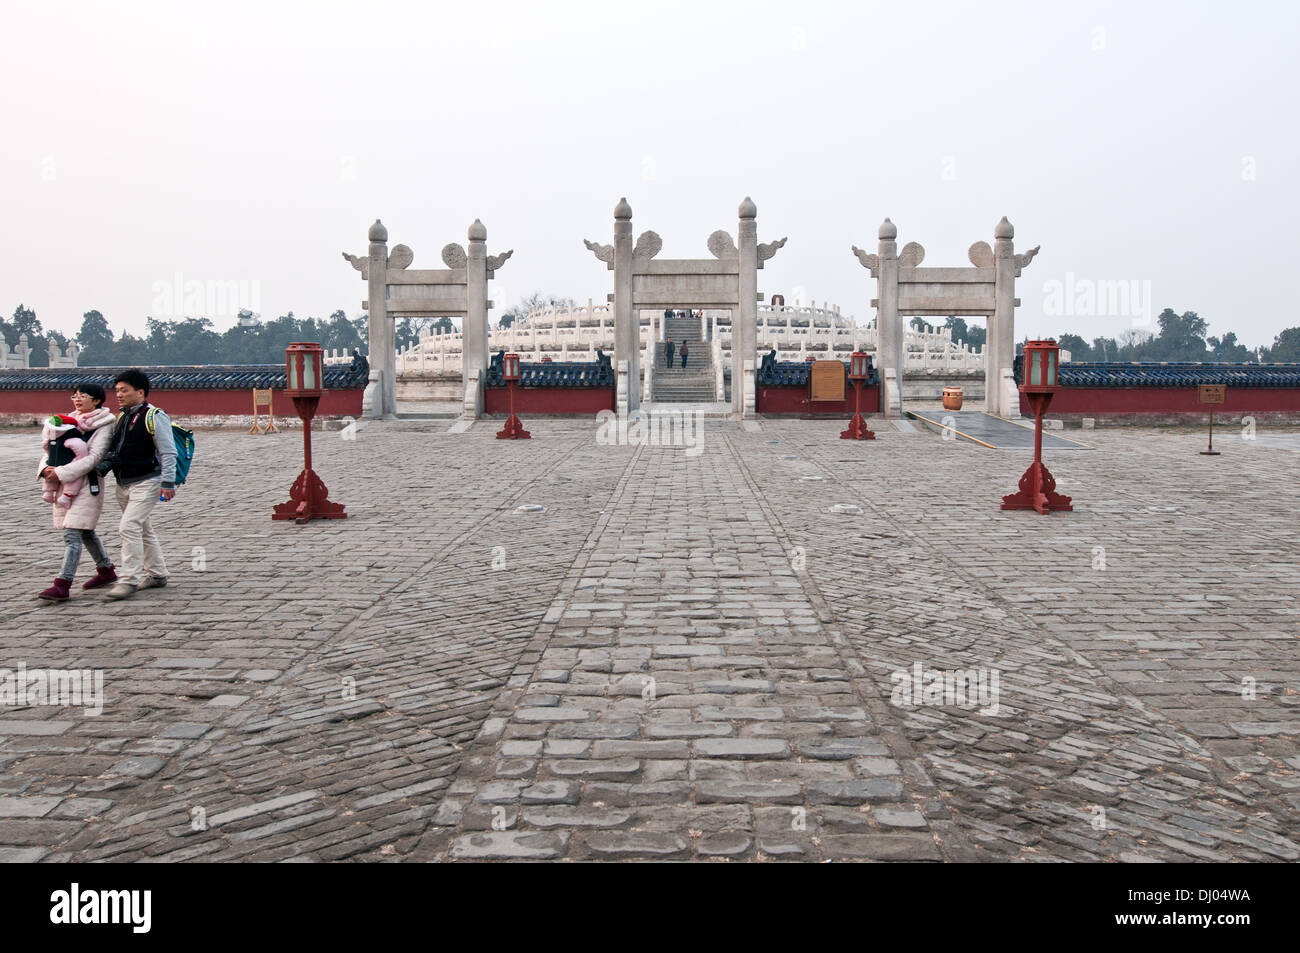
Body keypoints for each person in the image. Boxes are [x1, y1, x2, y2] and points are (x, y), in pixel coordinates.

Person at [36, 385, 119, 601]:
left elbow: (95, 457)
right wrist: (45, 470)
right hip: (64, 482)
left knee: (72, 532)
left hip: (87, 483)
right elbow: (50, 450)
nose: (77, 399)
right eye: (75, 395)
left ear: (97, 400)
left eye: (83, 396)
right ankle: (106, 570)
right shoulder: (65, 421)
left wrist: (61, 472)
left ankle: (62, 584)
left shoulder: (105, 424)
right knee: (85, 531)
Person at [105, 369, 177, 601]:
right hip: (124, 482)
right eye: (117, 390)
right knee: (143, 529)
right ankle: (157, 574)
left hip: (148, 481)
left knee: (128, 527)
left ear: (140, 392)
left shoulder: (154, 416)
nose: (119, 395)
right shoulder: (122, 417)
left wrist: (168, 481)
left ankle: (129, 579)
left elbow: (168, 451)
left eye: (124, 390)